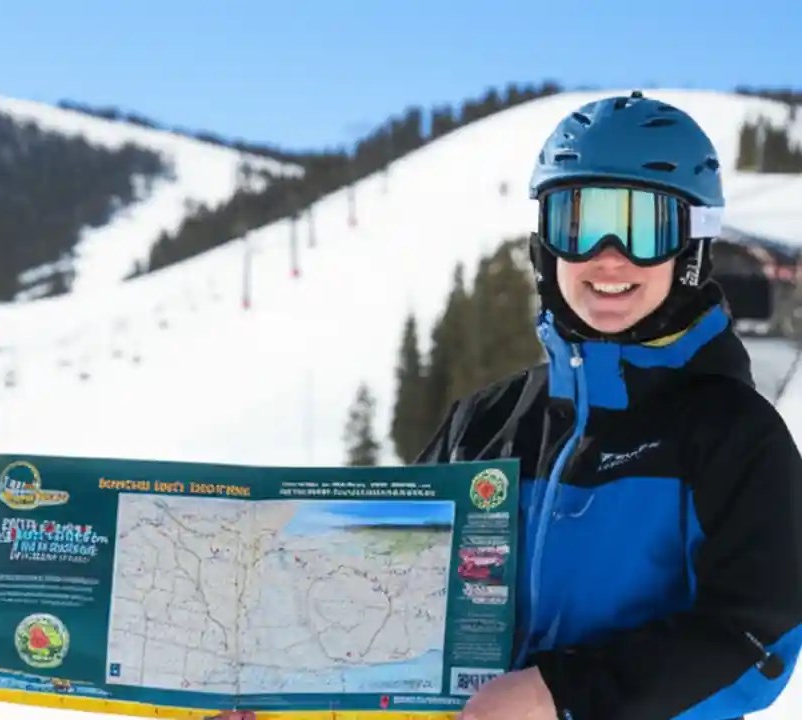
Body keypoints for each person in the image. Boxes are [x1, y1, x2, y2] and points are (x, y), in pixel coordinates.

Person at [208, 92, 802, 720]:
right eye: (578, 221)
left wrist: (562, 695)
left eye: (644, 227)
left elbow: (756, 639)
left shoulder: (732, 435)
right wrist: (280, 696)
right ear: (546, 243)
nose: (607, 254)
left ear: (691, 248)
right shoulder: (485, 424)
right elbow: (378, 604)